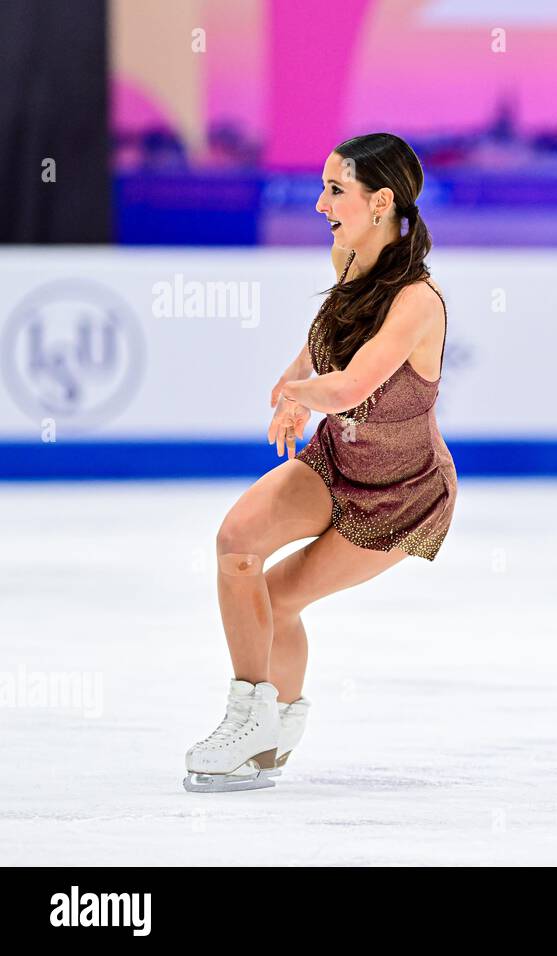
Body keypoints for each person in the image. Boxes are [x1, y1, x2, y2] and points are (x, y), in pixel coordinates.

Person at [183, 133, 456, 792]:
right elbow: (324, 343)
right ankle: (256, 717)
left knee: (277, 598)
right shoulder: (348, 255)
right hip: (338, 460)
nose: (319, 203)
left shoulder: (418, 302)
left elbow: (349, 388)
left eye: (335, 190)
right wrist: (293, 384)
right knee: (237, 542)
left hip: (400, 497)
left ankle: (269, 721)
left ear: (381, 200)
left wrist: (300, 396)